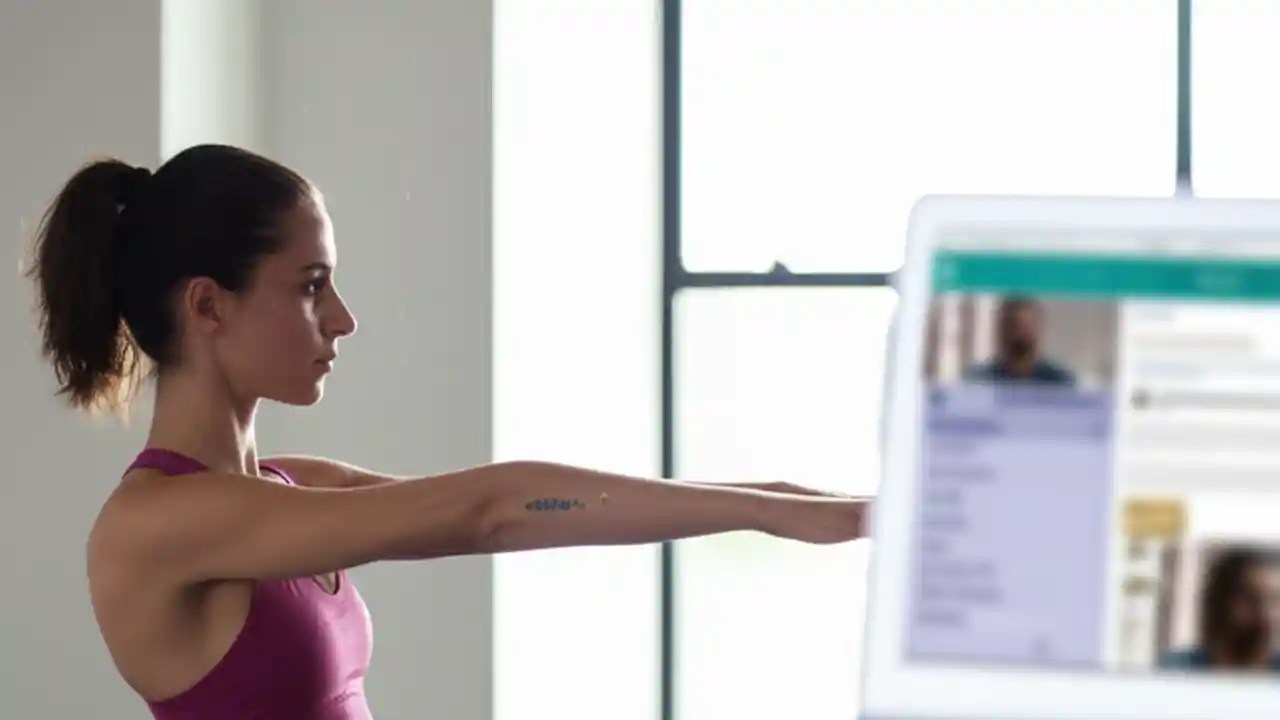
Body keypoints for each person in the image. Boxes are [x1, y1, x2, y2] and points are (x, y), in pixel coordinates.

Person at [24, 144, 869, 719]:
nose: (343, 319)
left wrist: (774, 497)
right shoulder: (158, 525)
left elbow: (531, 511)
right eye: (311, 286)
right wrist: (769, 513)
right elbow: (490, 507)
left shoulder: (291, 488)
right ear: (208, 305)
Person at [1159, 549, 1280, 671]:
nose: (1265, 615)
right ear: (1218, 603)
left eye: (1275, 600)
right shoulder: (1173, 670)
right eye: (1249, 598)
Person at [964, 297, 1076, 385]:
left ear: (1038, 330)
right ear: (1000, 330)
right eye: (1013, 325)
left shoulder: (1059, 383)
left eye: (1026, 326)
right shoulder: (979, 380)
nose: (1019, 334)